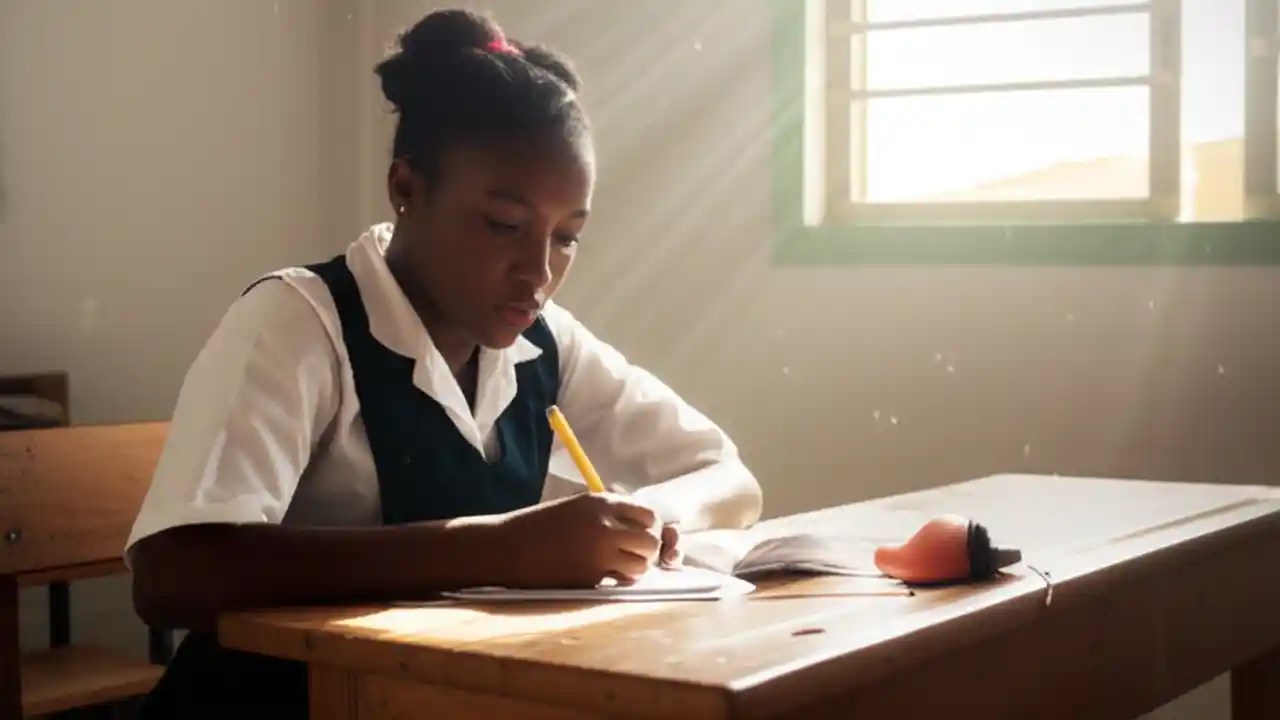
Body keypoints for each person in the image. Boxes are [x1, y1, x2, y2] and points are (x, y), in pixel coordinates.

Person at [126, 8, 762, 716]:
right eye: (504, 225)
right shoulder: (302, 322)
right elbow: (172, 574)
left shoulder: (545, 342)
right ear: (406, 188)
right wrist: (497, 550)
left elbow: (727, 476)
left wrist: (647, 519)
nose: (538, 272)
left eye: (567, 238)